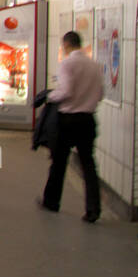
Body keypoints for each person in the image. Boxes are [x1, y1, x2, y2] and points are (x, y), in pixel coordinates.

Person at [36, 31, 103, 222]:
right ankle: (93, 209)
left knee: (59, 162)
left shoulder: (67, 63)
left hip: (67, 120)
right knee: (88, 165)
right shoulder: (95, 65)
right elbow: (100, 94)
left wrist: (49, 96)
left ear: (66, 44)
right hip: (87, 119)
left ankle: (51, 201)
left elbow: (65, 91)